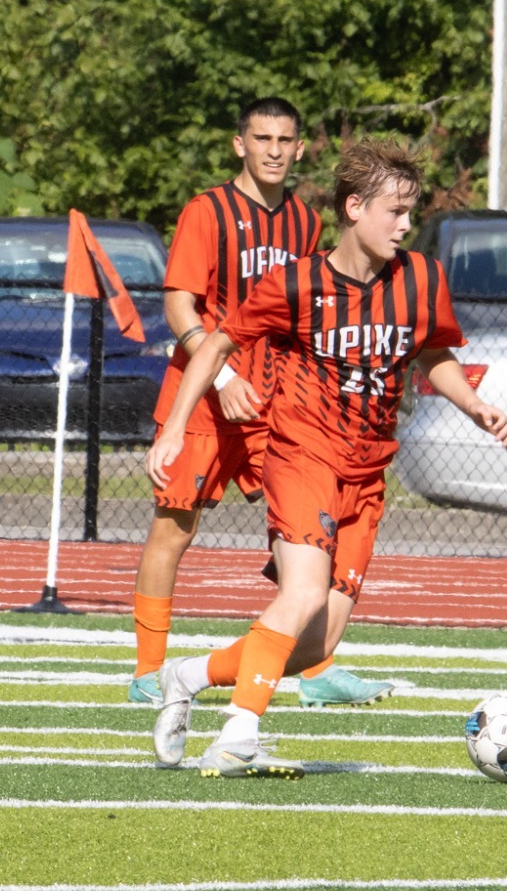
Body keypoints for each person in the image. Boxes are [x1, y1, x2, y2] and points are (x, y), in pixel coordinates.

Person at [144, 140, 507, 777]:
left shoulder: (421, 278)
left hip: (369, 472)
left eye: (410, 212)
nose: (404, 224)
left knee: (318, 640)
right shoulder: (295, 281)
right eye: (394, 211)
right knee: (304, 593)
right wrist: (174, 427)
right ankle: (238, 732)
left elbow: (433, 355)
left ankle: (187, 675)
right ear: (353, 207)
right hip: (302, 455)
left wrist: (473, 404)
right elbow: (215, 344)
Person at [127, 97, 394, 710]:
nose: (274, 149)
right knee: (176, 525)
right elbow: (179, 309)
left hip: (274, 397)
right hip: (204, 393)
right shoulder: (207, 211)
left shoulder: (303, 221)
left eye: (285, 139)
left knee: (304, 528)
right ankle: (148, 671)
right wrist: (220, 379)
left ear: (300, 149)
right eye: (261, 137)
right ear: (239, 143)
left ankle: (314, 664)